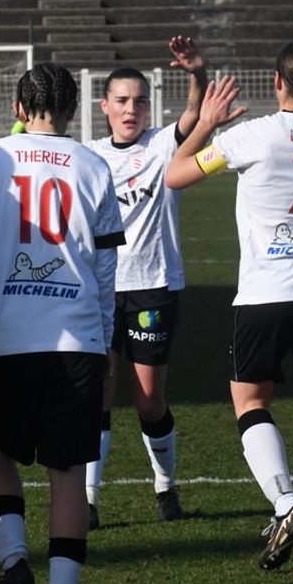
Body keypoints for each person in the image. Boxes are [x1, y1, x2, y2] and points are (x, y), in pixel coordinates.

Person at [164, 36, 293, 576]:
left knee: (249, 402)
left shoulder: (250, 136)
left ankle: (286, 505)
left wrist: (207, 122)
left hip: (265, 297)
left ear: (276, 82)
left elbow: (175, 176)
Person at [0, 62, 124, 584]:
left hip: (5, 334)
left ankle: (13, 562)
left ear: (19, 110)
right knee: (69, 471)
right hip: (76, 339)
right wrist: (102, 343)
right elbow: (106, 270)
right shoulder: (95, 165)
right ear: (73, 110)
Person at [83, 37, 209, 530]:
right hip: (100, 289)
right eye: (121, 100)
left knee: (149, 399)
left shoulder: (161, 144)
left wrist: (198, 73)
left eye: (139, 100)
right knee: (100, 388)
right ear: (105, 107)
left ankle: (165, 486)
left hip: (153, 286)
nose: (131, 108)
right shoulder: (88, 157)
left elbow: (196, 115)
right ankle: (89, 501)